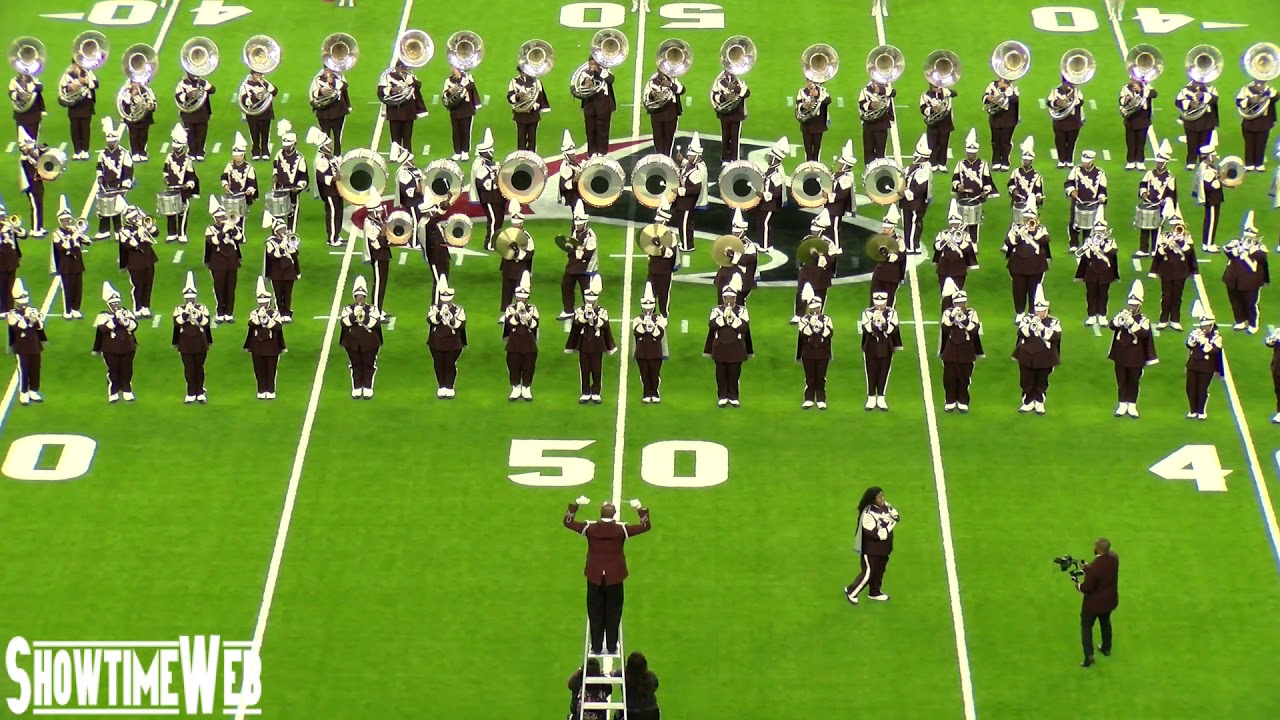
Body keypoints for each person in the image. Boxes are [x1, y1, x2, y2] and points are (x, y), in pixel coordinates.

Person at [563, 496, 652, 657]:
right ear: (615, 514)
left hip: (594, 575)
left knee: (595, 611)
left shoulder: (591, 528)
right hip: (615, 576)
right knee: (614, 611)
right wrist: (639, 508)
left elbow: (568, 522)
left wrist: (576, 504)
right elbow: (645, 526)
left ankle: (596, 646)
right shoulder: (621, 530)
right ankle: (612, 646)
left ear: (600, 513)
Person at [1108, 281, 1158, 418]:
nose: (1132, 307)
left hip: (1136, 355)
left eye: (1134, 305)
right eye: (1131, 304)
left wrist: (1131, 323)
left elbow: (1143, 333)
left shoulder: (1143, 319)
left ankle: (1132, 405)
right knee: (1121, 379)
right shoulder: (1123, 313)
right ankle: (1122, 404)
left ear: (1139, 305)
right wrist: (1119, 321)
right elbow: (1111, 325)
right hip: (1121, 354)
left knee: (1133, 380)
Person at [844, 486, 899, 605]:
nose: (882, 499)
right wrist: (881, 533)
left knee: (879, 571)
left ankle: (874, 592)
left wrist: (894, 515)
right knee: (869, 572)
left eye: (882, 496)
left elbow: (894, 516)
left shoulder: (886, 507)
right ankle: (852, 592)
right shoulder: (868, 514)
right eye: (879, 497)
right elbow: (870, 532)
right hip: (872, 550)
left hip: (884, 548)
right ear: (873, 499)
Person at [566, 275, 616, 404]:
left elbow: (603, 325)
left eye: (592, 301)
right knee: (584, 368)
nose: (590, 303)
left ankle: (596, 392)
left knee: (596, 369)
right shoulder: (579, 311)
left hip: (597, 344)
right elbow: (577, 324)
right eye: (588, 301)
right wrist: (585, 317)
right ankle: (585, 392)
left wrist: (593, 317)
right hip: (583, 344)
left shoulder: (602, 311)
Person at [1012, 287, 1062, 415]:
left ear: (1047, 310)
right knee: (1026, 379)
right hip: (1026, 355)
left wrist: (1042, 329)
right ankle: (1028, 401)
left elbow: (1055, 336)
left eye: (1042, 311)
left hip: (1044, 357)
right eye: (1037, 311)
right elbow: (1021, 333)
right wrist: (1031, 325)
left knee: (1041, 380)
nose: (1039, 314)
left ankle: (1039, 401)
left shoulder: (1053, 321)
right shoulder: (1027, 319)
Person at [705, 275, 752, 408]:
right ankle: (722, 396)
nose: (729, 301)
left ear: (735, 298)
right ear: (723, 298)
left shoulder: (742, 311)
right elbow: (712, 325)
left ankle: (733, 396)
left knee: (734, 373)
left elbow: (744, 327)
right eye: (726, 298)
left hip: (736, 347)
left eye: (731, 298)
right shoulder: (716, 310)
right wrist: (723, 318)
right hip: (720, 346)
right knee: (720, 373)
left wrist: (732, 319)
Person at [1149, 203, 1197, 330]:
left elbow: (1190, 253)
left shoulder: (1187, 238)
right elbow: (1159, 253)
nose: (1177, 229)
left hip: (1181, 271)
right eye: (1175, 226)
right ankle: (1163, 319)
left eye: (1179, 226)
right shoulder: (1165, 237)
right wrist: (1167, 245)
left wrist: (1194, 271)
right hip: (1167, 270)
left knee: (1177, 296)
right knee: (1166, 295)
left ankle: (1175, 319)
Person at [1221, 211, 1269, 334]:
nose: (1248, 238)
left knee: (1250, 304)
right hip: (1233, 279)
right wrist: (1238, 249)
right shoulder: (1237, 242)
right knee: (1235, 302)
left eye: (1250, 235)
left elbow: (1262, 258)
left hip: (1250, 282)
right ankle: (1240, 321)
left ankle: (1253, 324)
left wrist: (1251, 250)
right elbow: (1227, 251)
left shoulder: (1259, 246)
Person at [940, 279, 984, 412]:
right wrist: (953, 318)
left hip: (966, 349)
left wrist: (963, 319)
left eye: (962, 303)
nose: (960, 306)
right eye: (957, 303)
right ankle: (950, 400)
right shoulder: (948, 313)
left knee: (964, 376)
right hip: (951, 349)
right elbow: (945, 328)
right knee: (950, 376)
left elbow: (974, 329)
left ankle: (963, 400)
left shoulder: (972, 313)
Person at [91, 282, 138, 403]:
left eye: (117, 303)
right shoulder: (103, 315)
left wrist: (125, 321)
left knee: (127, 369)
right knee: (113, 370)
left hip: (127, 347)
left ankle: (127, 390)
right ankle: (113, 392)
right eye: (113, 304)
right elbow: (104, 329)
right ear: (108, 304)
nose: (115, 305)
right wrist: (115, 320)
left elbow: (134, 326)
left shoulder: (126, 312)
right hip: (110, 349)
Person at [339, 276, 384, 399]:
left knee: (369, 364)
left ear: (365, 297)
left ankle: (368, 387)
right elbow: (344, 323)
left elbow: (376, 324)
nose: (360, 299)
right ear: (354, 297)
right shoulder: (348, 309)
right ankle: (357, 387)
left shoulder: (372, 309)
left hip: (370, 342)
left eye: (362, 297)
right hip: (352, 342)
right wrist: (354, 315)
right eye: (357, 297)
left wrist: (365, 317)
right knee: (355, 364)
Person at [1077, 538, 1120, 668]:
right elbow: (1102, 569)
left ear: (1099, 549)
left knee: (1086, 627)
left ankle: (1088, 657)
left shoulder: (1094, 570)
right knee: (1105, 622)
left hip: (1093, 605)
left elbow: (1087, 588)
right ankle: (1106, 648)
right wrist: (1088, 568)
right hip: (1109, 601)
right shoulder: (1114, 558)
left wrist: (1078, 585)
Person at [171, 271, 212, 404]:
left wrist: (197, 315)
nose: (190, 301)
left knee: (199, 368)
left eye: (192, 298)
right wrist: (185, 314)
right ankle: (190, 392)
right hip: (186, 344)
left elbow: (206, 323)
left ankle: (200, 391)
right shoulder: (179, 309)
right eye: (188, 299)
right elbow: (177, 323)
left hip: (200, 343)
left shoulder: (202, 308)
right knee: (189, 369)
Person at [951, 129, 996, 246]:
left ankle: (974, 242)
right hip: (963, 196)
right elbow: (955, 179)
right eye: (969, 153)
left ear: (976, 153)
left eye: (972, 153)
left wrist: (985, 192)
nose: (970, 155)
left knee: (975, 221)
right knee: (961, 220)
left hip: (976, 197)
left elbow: (988, 182)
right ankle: (962, 240)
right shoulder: (960, 164)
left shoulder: (983, 164)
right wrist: (958, 185)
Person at [1074, 213, 1120, 326]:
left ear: (1105, 230)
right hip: (1091, 272)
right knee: (1091, 294)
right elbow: (1087, 257)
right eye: (1098, 230)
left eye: (1102, 230)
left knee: (1103, 294)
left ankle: (1102, 315)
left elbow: (1113, 252)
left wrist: (1102, 246)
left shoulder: (1110, 242)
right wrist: (1091, 247)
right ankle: (1091, 316)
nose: (1099, 233)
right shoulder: (1089, 241)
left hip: (1105, 272)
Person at [860, 291, 902, 412]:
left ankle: (881, 397)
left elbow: (891, 330)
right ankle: (871, 396)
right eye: (877, 304)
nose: (879, 306)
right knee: (871, 371)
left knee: (884, 371)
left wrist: (883, 322)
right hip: (871, 346)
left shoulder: (892, 313)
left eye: (882, 304)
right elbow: (867, 328)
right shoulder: (867, 313)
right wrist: (874, 321)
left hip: (886, 346)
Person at [204, 197, 244, 323]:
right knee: (219, 287)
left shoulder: (231, 227)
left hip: (231, 261)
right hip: (217, 262)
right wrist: (223, 231)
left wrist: (232, 229)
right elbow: (213, 241)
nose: (222, 219)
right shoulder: (210, 229)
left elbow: (241, 239)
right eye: (219, 217)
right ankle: (220, 312)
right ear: (215, 218)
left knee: (231, 288)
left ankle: (229, 313)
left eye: (223, 216)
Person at [245, 277, 285, 400]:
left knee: (271, 368)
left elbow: (278, 327)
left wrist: (267, 319)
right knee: (259, 368)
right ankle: (261, 389)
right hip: (258, 345)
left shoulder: (275, 313)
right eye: (261, 302)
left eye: (264, 302)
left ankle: (271, 389)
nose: (262, 304)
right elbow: (251, 324)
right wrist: (259, 316)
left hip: (271, 345)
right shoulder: (254, 313)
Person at [1135, 140, 1177, 256]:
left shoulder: (1170, 177)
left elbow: (1171, 193)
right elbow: (1143, 185)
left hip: (1160, 206)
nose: (1158, 164)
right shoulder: (1149, 174)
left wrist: (1165, 202)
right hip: (1148, 204)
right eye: (1157, 162)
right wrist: (1144, 194)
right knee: (1144, 227)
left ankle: (1155, 248)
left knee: (1157, 229)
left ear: (1165, 163)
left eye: (1160, 162)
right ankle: (1143, 249)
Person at [8, 279, 46, 406]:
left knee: (35, 369)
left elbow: (40, 327)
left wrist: (36, 318)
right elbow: (19, 327)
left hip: (34, 345)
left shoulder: (32, 310)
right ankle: (23, 392)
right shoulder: (12, 314)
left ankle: (33, 390)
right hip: (22, 347)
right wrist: (26, 317)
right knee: (24, 370)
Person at [427, 276, 466, 399]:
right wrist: (440, 314)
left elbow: (460, 325)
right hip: (437, 341)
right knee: (438, 364)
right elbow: (431, 320)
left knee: (450, 364)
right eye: (444, 301)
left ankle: (449, 386)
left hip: (453, 342)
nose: (446, 303)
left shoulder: (458, 310)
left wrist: (450, 316)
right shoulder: (434, 308)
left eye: (448, 301)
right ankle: (441, 385)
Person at [93, 118, 133, 240]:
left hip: (118, 185)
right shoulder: (103, 153)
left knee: (117, 209)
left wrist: (124, 186)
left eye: (112, 141)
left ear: (117, 141)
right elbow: (99, 166)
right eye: (109, 141)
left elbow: (128, 171)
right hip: (105, 185)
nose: (110, 144)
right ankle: (103, 230)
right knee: (104, 207)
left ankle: (118, 230)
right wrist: (99, 177)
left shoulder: (124, 154)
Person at [796, 284, 834, 410]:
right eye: (813, 308)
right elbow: (804, 333)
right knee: (810, 377)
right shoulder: (804, 320)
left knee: (820, 377)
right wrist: (812, 326)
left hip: (823, 352)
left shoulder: (827, 319)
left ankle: (821, 399)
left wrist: (819, 326)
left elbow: (828, 333)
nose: (815, 310)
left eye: (817, 308)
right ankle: (809, 399)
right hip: (808, 352)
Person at [558, 202, 598, 320]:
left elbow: (587, 254)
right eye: (577, 224)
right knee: (566, 286)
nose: (578, 226)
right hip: (574, 266)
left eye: (580, 224)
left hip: (586, 268)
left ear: (585, 223)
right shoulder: (576, 232)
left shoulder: (590, 236)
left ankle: (589, 311)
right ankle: (568, 310)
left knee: (586, 291)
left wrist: (575, 251)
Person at [503, 271, 539, 401]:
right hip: (514, 342)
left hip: (528, 342)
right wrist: (518, 314)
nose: (521, 300)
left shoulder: (533, 309)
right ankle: (515, 387)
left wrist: (526, 316)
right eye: (519, 298)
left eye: (524, 298)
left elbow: (533, 324)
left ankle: (526, 388)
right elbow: (510, 323)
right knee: (513, 364)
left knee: (529, 365)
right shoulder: (510, 309)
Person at [1184, 300, 1224, 420]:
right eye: (1202, 325)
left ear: (1211, 326)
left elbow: (1214, 351)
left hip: (1207, 367)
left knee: (1202, 389)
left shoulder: (1216, 337)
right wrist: (1193, 339)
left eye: (1206, 326)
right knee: (1191, 388)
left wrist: (1205, 342)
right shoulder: (1196, 333)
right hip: (1193, 364)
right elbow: (1189, 346)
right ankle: (1192, 410)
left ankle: (1201, 410)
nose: (1204, 328)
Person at [378, 59, 427, 153]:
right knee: (395, 135)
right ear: (396, 68)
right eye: (400, 68)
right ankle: (395, 154)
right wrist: (393, 90)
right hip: (394, 109)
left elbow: (418, 85)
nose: (402, 71)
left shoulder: (410, 76)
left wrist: (412, 82)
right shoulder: (389, 76)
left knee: (407, 136)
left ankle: (407, 153)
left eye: (404, 68)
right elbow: (381, 91)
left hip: (408, 109)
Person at [50, 196, 87, 319]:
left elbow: (88, 242)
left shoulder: (73, 230)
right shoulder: (57, 233)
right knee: (67, 288)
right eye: (64, 220)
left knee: (78, 288)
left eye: (68, 220)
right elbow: (63, 247)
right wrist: (73, 237)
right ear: (60, 221)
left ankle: (76, 309)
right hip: (66, 265)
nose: (67, 222)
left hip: (77, 263)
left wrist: (80, 233)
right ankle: (67, 310)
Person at [118, 206, 159, 317]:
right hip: (135, 263)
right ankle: (137, 308)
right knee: (138, 285)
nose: (135, 219)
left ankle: (146, 307)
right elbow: (129, 245)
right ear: (127, 219)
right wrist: (138, 235)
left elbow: (156, 234)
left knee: (148, 284)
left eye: (136, 216)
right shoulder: (124, 230)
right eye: (132, 217)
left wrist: (149, 227)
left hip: (148, 259)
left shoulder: (142, 225)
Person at [162, 124, 198, 244]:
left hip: (183, 191)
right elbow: (165, 170)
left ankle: (182, 233)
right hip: (171, 189)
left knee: (182, 212)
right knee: (170, 212)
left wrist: (188, 184)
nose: (175, 149)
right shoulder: (169, 157)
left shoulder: (187, 160)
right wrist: (166, 179)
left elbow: (192, 175)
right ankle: (171, 233)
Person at [1064, 150, 1108, 249]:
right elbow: (1068, 183)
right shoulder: (1076, 170)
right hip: (1077, 201)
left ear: (1091, 161)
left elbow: (1102, 189)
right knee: (1074, 222)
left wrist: (1101, 198)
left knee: (1089, 224)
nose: (1084, 163)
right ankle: (1073, 243)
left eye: (1086, 162)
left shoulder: (1100, 173)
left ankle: (1086, 243)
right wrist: (1071, 191)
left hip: (1092, 203)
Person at [934, 200, 979, 298]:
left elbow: (968, 251)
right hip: (944, 267)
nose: (954, 226)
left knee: (957, 293)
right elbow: (937, 247)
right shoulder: (943, 234)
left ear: (959, 224)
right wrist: (945, 240)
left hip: (959, 268)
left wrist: (960, 243)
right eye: (952, 224)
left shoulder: (965, 235)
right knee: (945, 293)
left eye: (956, 224)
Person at [58, 55, 99, 161]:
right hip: (74, 105)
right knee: (75, 128)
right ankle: (77, 151)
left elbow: (96, 84)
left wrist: (85, 81)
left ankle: (85, 151)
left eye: (79, 65)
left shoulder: (88, 73)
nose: (77, 67)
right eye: (75, 65)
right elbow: (62, 89)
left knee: (85, 128)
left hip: (86, 104)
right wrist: (69, 87)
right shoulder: (68, 75)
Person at [307, 126, 343, 246]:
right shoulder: (322, 159)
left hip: (336, 190)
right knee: (333, 214)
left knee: (338, 213)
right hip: (329, 192)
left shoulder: (328, 156)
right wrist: (334, 178)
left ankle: (336, 234)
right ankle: (332, 238)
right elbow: (321, 177)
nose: (331, 144)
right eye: (329, 143)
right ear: (323, 146)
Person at [633, 281, 667, 404]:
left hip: (655, 351)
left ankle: (655, 392)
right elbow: (637, 333)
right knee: (644, 373)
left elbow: (659, 334)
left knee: (654, 373)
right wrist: (644, 324)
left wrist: (652, 326)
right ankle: (646, 392)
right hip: (641, 351)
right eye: (645, 307)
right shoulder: (638, 319)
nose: (647, 310)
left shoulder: (659, 319)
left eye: (650, 307)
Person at [272, 121, 308, 232]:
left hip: (292, 191)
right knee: (278, 214)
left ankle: (290, 235)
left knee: (292, 214)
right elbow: (275, 167)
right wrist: (275, 176)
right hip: (279, 189)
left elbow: (304, 177)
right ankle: (277, 235)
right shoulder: (279, 154)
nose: (285, 147)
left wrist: (297, 188)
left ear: (293, 145)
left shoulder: (300, 158)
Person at [672, 135, 706, 253]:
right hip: (683, 203)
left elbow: (696, 188)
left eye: (691, 155)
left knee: (685, 225)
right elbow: (686, 167)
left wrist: (681, 191)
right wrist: (681, 160)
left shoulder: (697, 170)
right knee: (682, 224)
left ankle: (687, 246)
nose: (688, 156)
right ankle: (685, 242)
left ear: (697, 156)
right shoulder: (691, 165)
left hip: (687, 203)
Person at [900, 134, 933, 253]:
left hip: (915, 203)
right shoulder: (914, 168)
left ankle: (912, 246)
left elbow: (919, 189)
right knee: (908, 224)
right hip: (909, 203)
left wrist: (905, 194)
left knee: (914, 224)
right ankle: (910, 244)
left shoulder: (923, 171)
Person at [1176, 78, 1219, 170]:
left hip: (1207, 121)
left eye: (1200, 82)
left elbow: (1215, 99)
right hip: (1191, 122)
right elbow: (1177, 102)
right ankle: (1191, 162)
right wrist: (1189, 103)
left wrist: (1203, 95)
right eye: (1196, 82)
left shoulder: (1210, 89)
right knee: (1192, 143)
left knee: (1205, 144)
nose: (1198, 84)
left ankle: (1204, 163)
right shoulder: (1186, 90)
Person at [1237, 77, 1278, 172]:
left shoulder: (1269, 90)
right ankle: (1249, 164)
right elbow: (1239, 102)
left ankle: (1259, 164)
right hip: (1249, 121)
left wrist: (1264, 93)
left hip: (1264, 122)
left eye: (1262, 81)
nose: (1259, 83)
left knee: (1261, 143)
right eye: (1257, 81)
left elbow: (1276, 97)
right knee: (1249, 143)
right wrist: (1250, 100)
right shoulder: (1246, 89)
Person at [644, 200, 677, 316]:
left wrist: (660, 246)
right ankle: (649, 314)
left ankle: (663, 315)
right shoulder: (651, 233)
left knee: (663, 295)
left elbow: (670, 254)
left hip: (665, 270)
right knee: (649, 294)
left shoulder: (670, 236)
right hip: (652, 268)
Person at [219, 133, 258, 231]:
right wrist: (225, 184)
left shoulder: (249, 168)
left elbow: (252, 183)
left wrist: (249, 190)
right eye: (235, 156)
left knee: (240, 216)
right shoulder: (229, 165)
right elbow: (224, 177)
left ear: (243, 155)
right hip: (231, 195)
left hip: (242, 197)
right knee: (229, 216)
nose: (236, 158)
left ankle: (240, 233)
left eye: (238, 156)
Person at [507, 64, 550, 152]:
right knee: (521, 138)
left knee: (532, 138)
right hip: (520, 114)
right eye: (522, 71)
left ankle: (532, 156)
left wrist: (532, 106)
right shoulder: (514, 82)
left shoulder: (536, 82)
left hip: (532, 114)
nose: (524, 73)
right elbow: (510, 97)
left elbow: (540, 97)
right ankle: (521, 157)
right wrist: (518, 97)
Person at [473, 129, 503, 251]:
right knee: (493, 220)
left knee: (499, 220)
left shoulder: (489, 163)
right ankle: (489, 243)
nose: (493, 152)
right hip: (489, 197)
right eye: (491, 150)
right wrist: (496, 180)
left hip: (497, 197)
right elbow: (482, 183)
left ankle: (495, 241)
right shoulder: (480, 166)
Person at [175, 69, 215, 161]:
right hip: (188, 114)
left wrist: (204, 84)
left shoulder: (202, 82)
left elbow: (213, 90)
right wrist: (187, 95)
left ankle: (200, 152)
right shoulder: (182, 84)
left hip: (202, 113)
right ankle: (192, 152)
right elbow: (178, 97)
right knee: (190, 134)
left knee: (201, 133)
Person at [443, 65, 481, 162]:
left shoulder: (467, 78)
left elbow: (472, 88)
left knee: (465, 131)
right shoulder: (448, 81)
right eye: (452, 67)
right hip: (455, 108)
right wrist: (449, 91)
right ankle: (457, 152)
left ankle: (465, 152)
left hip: (466, 109)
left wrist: (466, 82)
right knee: (456, 131)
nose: (452, 69)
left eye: (454, 68)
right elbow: (444, 95)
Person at [238, 68, 278, 161]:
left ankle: (265, 150)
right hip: (253, 114)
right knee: (254, 133)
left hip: (265, 112)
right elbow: (245, 100)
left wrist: (266, 85)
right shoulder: (246, 85)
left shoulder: (265, 84)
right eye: (257, 75)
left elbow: (274, 92)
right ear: (252, 75)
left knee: (265, 132)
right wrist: (255, 98)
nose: (259, 77)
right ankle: (255, 151)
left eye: (260, 75)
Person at [869, 207, 906, 306]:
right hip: (879, 272)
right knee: (874, 297)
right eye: (884, 227)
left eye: (887, 228)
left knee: (889, 300)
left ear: (892, 228)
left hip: (892, 274)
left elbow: (901, 256)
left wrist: (889, 255)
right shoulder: (879, 238)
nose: (884, 229)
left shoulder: (899, 240)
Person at [755, 137, 787, 249]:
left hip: (769, 205)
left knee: (764, 224)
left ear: (775, 159)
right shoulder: (771, 170)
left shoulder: (776, 174)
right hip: (765, 204)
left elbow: (777, 192)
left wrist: (763, 195)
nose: (768, 158)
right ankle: (765, 244)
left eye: (770, 157)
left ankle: (765, 246)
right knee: (762, 223)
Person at [579, 58, 616, 158]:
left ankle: (603, 152)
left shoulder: (605, 71)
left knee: (603, 130)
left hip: (604, 105)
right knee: (590, 130)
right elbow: (580, 88)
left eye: (594, 64)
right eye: (590, 64)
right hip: (590, 106)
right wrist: (586, 83)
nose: (592, 66)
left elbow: (611, 79)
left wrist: (598, 71)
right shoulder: (584, 73)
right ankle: (591, 153)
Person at [264, 220, 300, 322]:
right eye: (280, 229)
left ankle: (287, 313)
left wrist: (290, 245)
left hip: (289, 271)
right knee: (278, 294)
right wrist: (282, 245)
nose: (283, 231)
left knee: (288, 293)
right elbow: (274, 256)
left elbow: (295, 254)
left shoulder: (289, 239)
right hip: (277, 271)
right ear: (276, 231)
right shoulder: (270, 241)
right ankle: (280, 312)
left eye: (284, 229)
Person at [309, 66, 350, 155]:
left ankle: (337, 154)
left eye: (330, 69)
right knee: (324, 135)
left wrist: (333, 82)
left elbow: (344, 87)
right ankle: (324, 155)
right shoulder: (318, 79)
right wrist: (321, 91)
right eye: (327, 69)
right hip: (324, 112)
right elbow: (313, 92)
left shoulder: (338, 77)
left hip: (338, 111)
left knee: (337, 135)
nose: (329, 71)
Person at [644, 69, 684, 157]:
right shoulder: (652, 81)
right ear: (658, 70)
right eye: (661, 71)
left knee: (668, 139)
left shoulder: (672, 79)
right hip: (656, 114)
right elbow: (646, 96)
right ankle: (659, 158)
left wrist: (670, 84)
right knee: (657, 138)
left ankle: (666, 158)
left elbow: (682, 90)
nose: (664, 73)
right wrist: (652, 94)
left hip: (670, 114)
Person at [712, 68, 749, 162]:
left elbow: (747, 93)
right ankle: (725, 159)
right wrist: (724, 97)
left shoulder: (738, 79)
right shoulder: (719, 80)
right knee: (725, 136)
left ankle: (735, 159)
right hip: (725, 113)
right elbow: (714, 95)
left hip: (737, 114)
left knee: (735, 138)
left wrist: (736, 88)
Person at [1119, 77, 1157, 170]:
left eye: (1135, 80)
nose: (1133, 82)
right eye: (1132, 80)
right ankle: (1130, 161)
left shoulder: (1146, 87)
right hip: (1130, 119)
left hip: (1143, 119)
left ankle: (1140, 161)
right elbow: (1120, 101)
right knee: (1130, 142)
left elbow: (1154, 94)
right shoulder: (1126, 88)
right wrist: (1126, 99)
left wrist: (1141, 91)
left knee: (1141, 142)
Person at [1194, 135, 1223, 254]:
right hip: (1212, 199)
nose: (1215, 156)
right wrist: (1220, 180)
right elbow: (1209, 186)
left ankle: (1209, 241)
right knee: (1211, 221)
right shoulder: (1206, 169)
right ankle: (1208, 243)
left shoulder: (1206, 166)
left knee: (1211, 220)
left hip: (1212, 198)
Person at [824, 141, 857, 247]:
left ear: (845, 165)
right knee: (830, 226)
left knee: (834, 228)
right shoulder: (840, 175)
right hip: (832, 206)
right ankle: (831, 245)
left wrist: (828, 197)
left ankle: (837, 247)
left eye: (841, 163)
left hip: (837, 207)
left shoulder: (846, 178)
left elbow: (842, 194)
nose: (839, 164)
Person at [362, 199, 392, 312]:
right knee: (379, 284)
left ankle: (378, 307)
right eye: (378, 211)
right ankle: (375, 310)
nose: (381, 212)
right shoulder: (369, 224)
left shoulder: (375, 221)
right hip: (378, 257)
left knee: (382, 284)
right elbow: (376, 244)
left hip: (383, 256)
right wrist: (384, 233)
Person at [984, 75, 1020, 171]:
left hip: (1009, 119)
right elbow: (984, 97)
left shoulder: (1013, 87)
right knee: (995, 140)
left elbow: (1014, 99)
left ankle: (1005, 161)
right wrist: (989, 97)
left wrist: (1007, 88)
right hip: (995, 118)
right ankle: (995, 161)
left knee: (1005, 141)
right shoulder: (992, 85)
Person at [612, 651, 661, 720]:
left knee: (617, 715)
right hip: (652, 713)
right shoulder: (651, 676)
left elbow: (613, 674)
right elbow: (656, 686)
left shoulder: (624, 674)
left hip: (631, 713)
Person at [1047, 77, 1084, 168]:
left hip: (1073, 122)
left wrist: (1071, 99)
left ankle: (1069, 160)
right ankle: (1061, 160)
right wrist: (1057, 103)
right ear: (1063, 83)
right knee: (1060, 141)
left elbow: (1080, 102)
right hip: (1060, 122)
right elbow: (1049, 102)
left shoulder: (1076, 92)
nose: (1069, 85)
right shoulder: (1055, 91)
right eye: (1067, 83)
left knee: (1071, 142)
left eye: (1070, 83)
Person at [920, 80, 955, 172]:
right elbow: (922, 109)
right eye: (934, 86)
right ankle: (933, 163)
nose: (936, 88)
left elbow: (955, 93)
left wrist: (944, 90)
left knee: (944, 144)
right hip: (933, 124)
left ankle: (942, 164)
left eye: (937, 86)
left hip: (945, 123)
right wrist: (932, 109)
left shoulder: (945, 92)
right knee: (932, 144)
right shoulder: (925, 95)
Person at [17, 129, 46, 237]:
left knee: (39, 205)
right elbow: (32, 160)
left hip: (38, 183)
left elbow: (45, 148)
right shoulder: (24, 158)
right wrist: (34, 149)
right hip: (31, 186)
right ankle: (35, 229)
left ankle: (39, 226)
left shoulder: (33, 154)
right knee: (35, 206)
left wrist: (39, 147)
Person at [859, 77, 895, 162]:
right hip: (869, 125)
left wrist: (880, 91)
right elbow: (861, 104)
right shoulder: (865, 90)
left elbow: (893, 93)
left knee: (880, 153)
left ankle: (879, 172)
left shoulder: (887, 87)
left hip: (882, 124)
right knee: (868, 150)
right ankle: (869, 171)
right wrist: (871, 105)